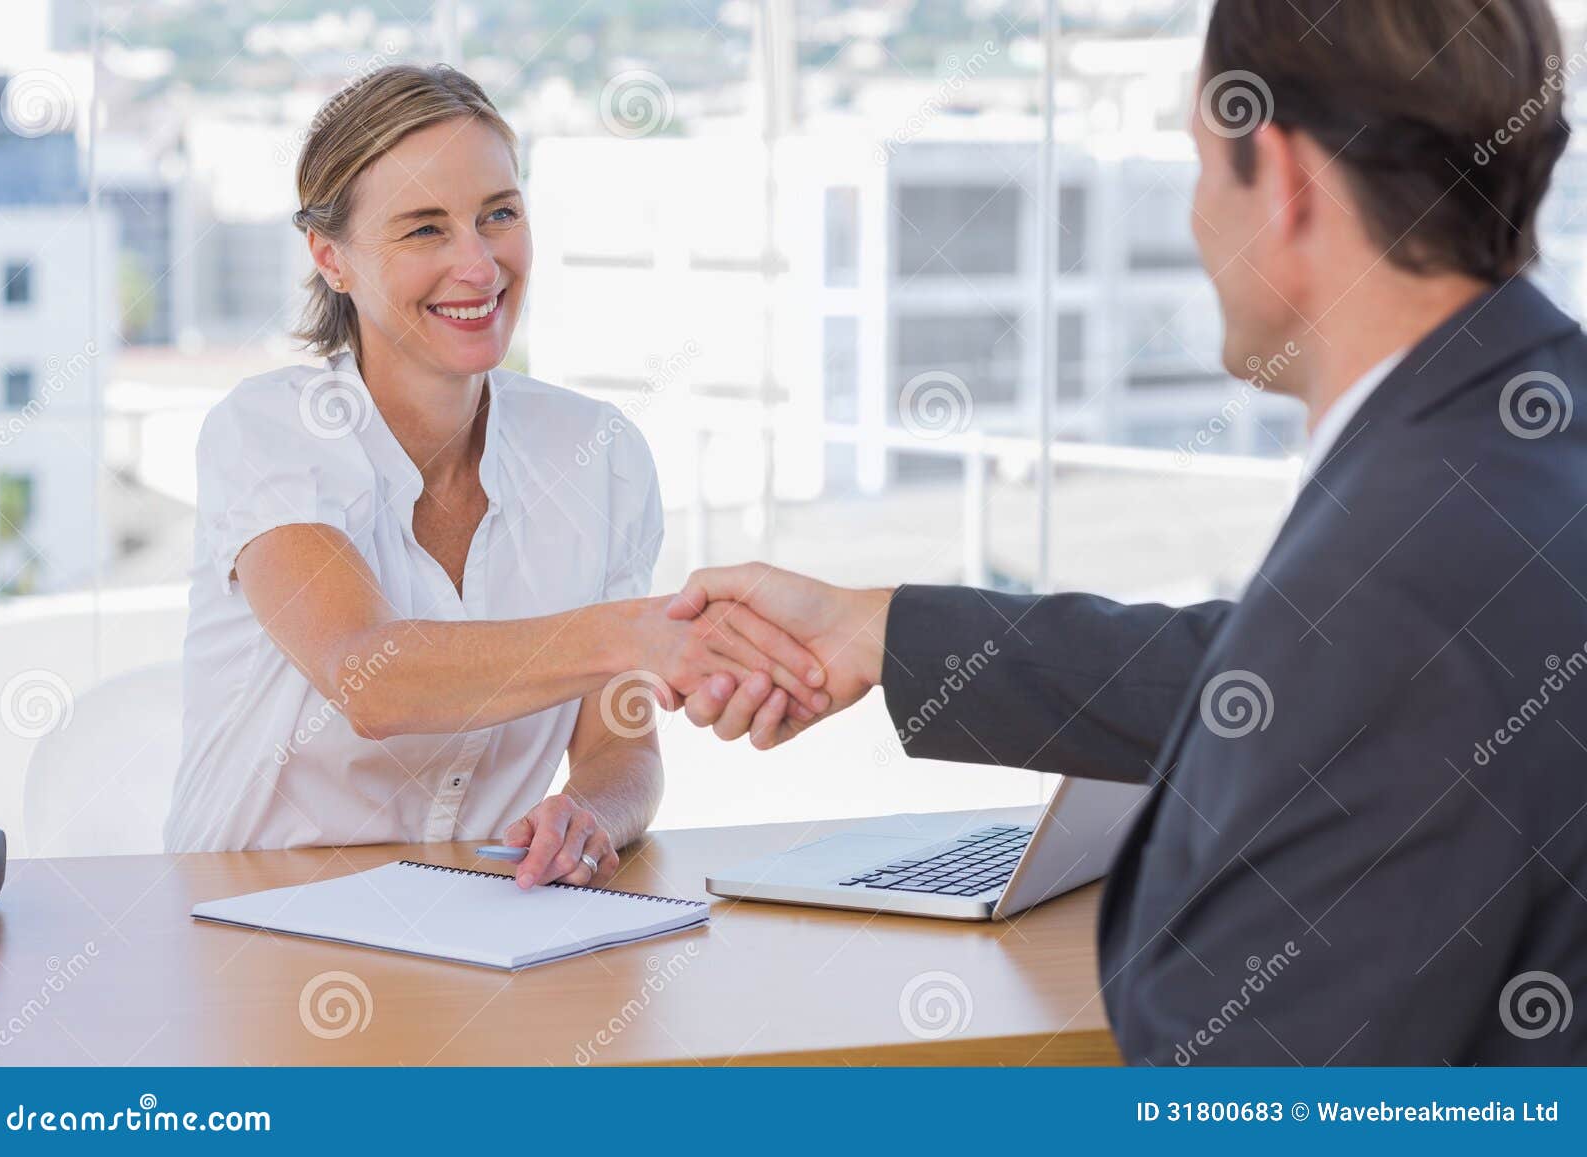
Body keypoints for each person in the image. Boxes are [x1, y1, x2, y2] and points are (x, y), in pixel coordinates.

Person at [669, 0, 1587, 1064]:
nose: (1196, 219)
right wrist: (879, 631)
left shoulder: (1406, 573)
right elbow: (1283, 676)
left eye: (1202, 165)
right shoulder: (1520, 433)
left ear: (1283, 182)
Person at [165, 66, 825, 875]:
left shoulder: (600, 453)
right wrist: (637, 633)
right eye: (424, 229)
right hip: (245, 936)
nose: (479, 264)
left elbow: (622, 747)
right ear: (331, 257)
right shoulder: (268, 431)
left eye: (498, 214)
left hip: (476, 925)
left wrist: (591, 813)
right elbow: (371, 679)